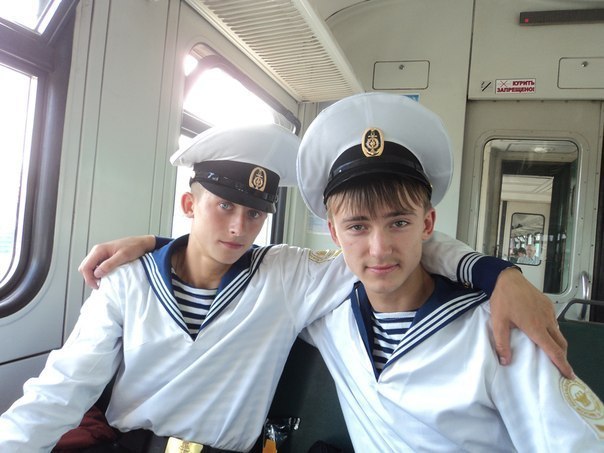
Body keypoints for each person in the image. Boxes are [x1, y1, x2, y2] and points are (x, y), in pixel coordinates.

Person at [0, 122, 552, 452]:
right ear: (190, 203)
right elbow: (61, 389)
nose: (239, 228)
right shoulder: (128, 280)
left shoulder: (285, 277)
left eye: (254, 214)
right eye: (224, 207)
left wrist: (494, 272)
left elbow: (385, 247)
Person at [297, 92, 602, 451]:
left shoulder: (498, 331)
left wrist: (500, 275)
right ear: (334, 234)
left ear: (427, 224)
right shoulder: (330, 318)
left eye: (398, 223)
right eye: (357, 227)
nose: (379, 249)